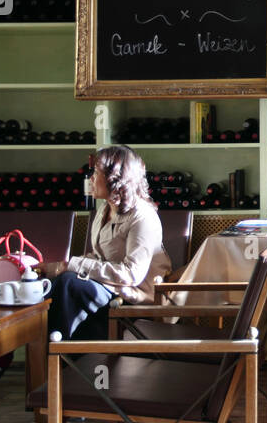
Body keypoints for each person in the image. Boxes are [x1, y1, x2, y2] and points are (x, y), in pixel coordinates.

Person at [40, 146, 171, 341]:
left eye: (96, 173)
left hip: (130, 296)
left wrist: (71, 266)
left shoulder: (143, 217)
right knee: (48, 284)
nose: (91, 178)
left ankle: (60, 356)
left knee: (69, 284)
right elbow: (99, 257)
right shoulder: (104, 210)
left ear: (116, 178)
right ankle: (55, 355)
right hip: (107, 288)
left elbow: (131, 274)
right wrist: (54, 268)